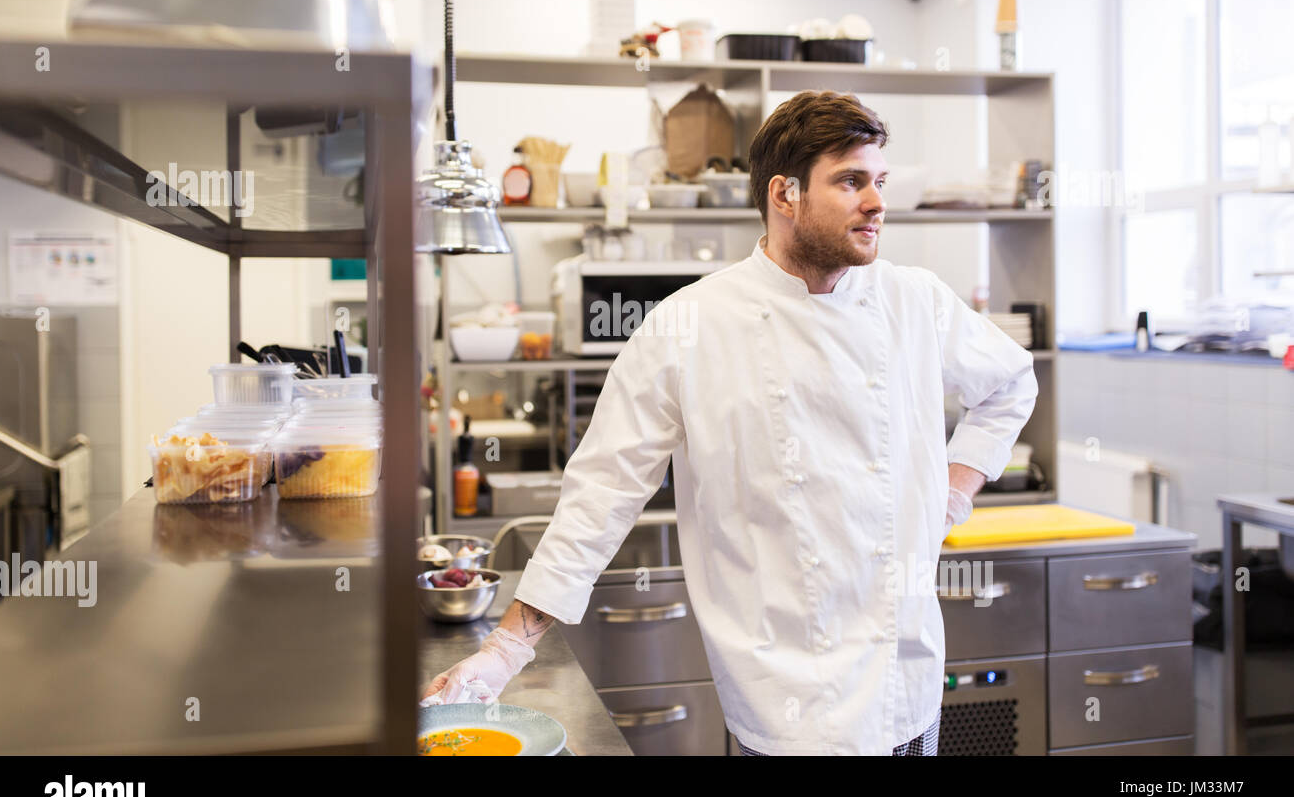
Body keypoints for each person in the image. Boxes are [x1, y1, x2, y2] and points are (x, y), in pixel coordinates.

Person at [422, 90, 1038, 755]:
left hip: (903, 687)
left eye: (880, 181)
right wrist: (508, 648)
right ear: (786, 194)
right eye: (851, 181)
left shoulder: (915, 301)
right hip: (781, 705)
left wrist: (953, 491)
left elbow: (1010, 382)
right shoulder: (689, 327)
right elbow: (601, 497)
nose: (877, 202)